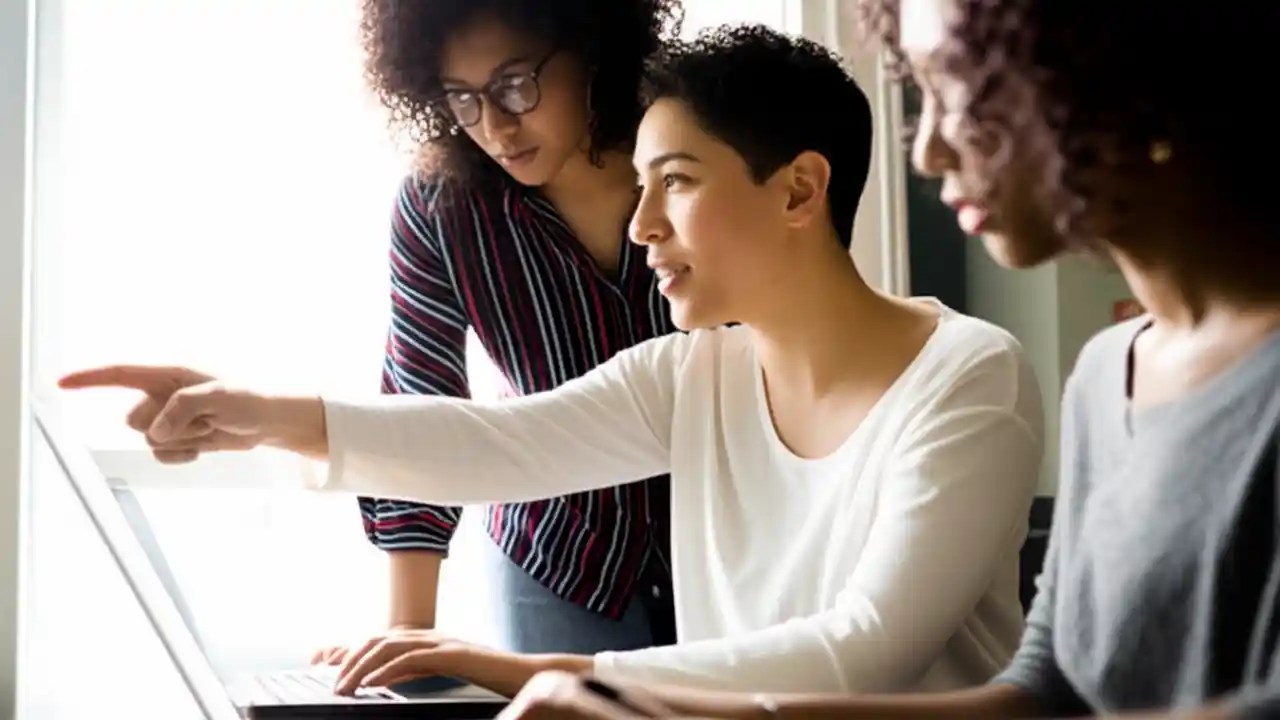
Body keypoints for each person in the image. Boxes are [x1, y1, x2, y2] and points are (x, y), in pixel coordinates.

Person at [60, 25, 1043, 700]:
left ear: (797, 193)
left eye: (676, 184)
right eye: (642, 184)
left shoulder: (967, 377)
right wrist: (248, 411)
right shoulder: (691, 372)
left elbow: (859, 656)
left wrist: (518, 669)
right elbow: (494, 443)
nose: (644, 223)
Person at [487, 0, 1280, 718]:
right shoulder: (1108, 376)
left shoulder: (997, 372)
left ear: (1103, 76)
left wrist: (637, 696)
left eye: (961, 91)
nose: (929, 151)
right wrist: (643, 704)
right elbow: (1041, 697)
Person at [313, 0, 685, 666]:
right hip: (557, 556)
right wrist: (409, 627)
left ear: (592, 48)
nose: (495, 126)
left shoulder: (693, 162)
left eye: (516, 85)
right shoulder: (439, 208)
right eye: (463, 99)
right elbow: (417, 401)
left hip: (729, 533)